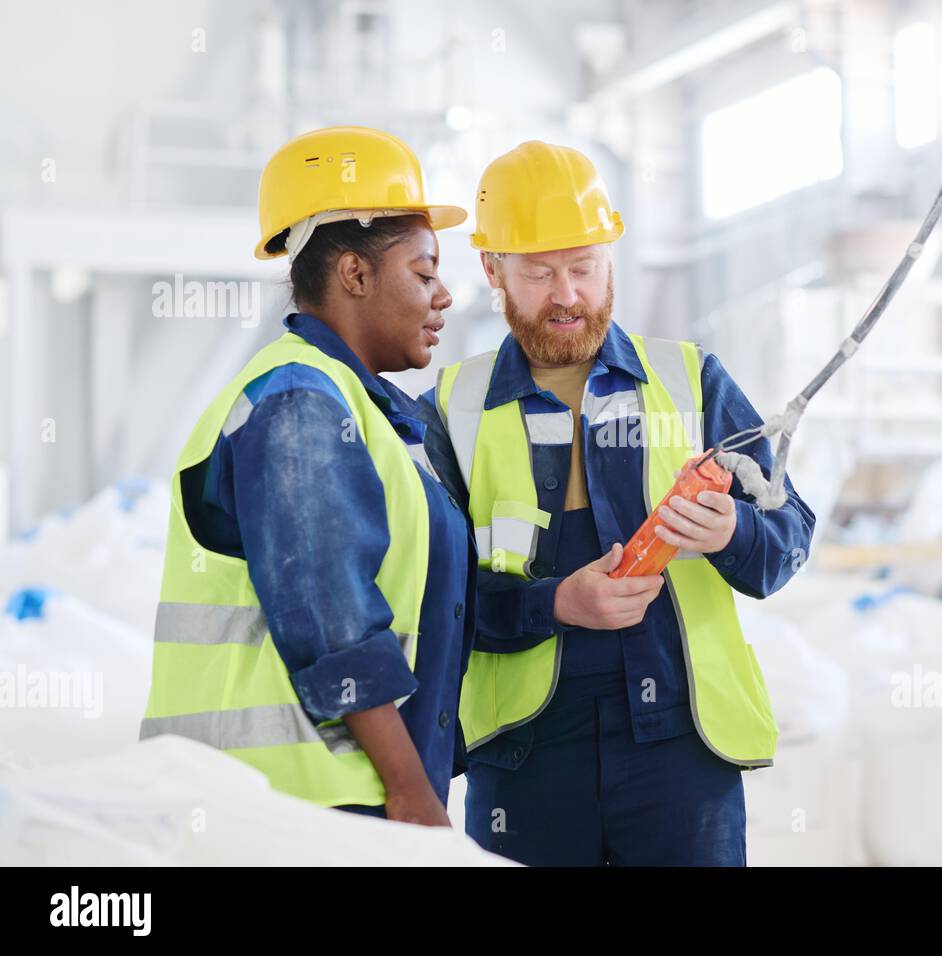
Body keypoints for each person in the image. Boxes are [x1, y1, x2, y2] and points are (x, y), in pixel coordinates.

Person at [420, 141, 815, 864]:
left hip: (682, 757)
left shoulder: (692, 381)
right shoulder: (452, 409)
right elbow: (428, 598)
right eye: (539, 272)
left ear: (611, 256)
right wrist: (556, 605)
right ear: (491, 269)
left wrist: (733, 532)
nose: (567, 293)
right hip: (526, 762)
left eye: (585, 266)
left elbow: (789, 542)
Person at [140, 126, 474, 826]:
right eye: (423, 272)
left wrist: (562, 602)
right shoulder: (298, 402)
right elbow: (333, 623)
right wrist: (410, 790)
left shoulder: (376, 414)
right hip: (287, 805)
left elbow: (429, 598)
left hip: (327, 796)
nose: (443, 296)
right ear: (354, 274)